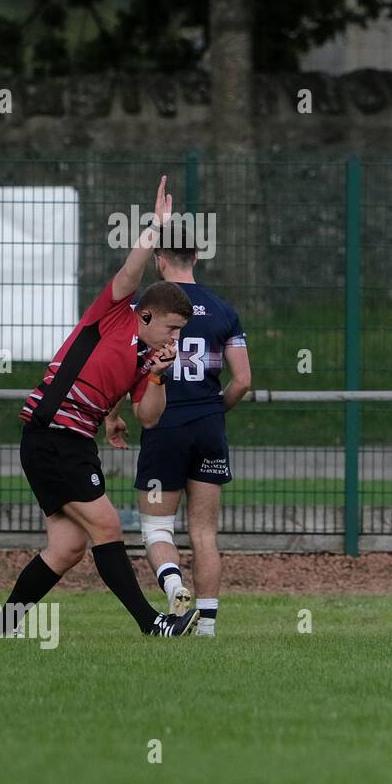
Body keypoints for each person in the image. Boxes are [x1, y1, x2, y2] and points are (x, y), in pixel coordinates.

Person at [0, 175, 198, 638]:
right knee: (106, 525)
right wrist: (155, 227)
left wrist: (157, 375)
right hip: (52, 435)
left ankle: (0, 629)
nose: (175, 338)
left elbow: (150, 416)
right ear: (145, 315)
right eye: (171, 328)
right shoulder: (114, 312)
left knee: (65, 548)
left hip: (69, 440)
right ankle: (153, 624)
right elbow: (131, 269)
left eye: (181, 331)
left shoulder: (149, 360)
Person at [106, 240, 251, 636]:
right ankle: (206, 629)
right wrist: (212, 413)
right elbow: (243, 381)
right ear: (198, 259)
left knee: (157, 530)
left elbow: (124, 364)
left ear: (159, 261)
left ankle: (173, 586)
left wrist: (113, 413)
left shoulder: (147, 310)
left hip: (163, 427)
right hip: (208, 428)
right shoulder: (223, 310)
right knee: (204, 533)